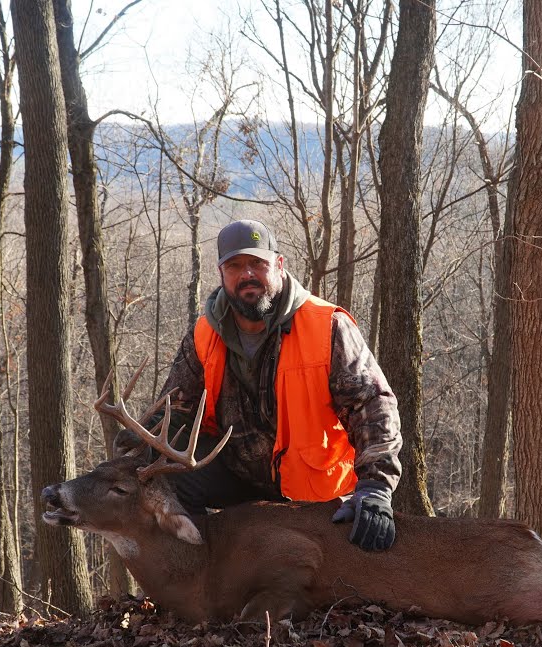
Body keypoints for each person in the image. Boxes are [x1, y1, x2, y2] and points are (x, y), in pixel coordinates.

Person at [120, 219, 402, 551]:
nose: (247, 275)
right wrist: (135, 450)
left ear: (279, 265)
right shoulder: (204, 335)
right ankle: (201, 581)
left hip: (316, 487)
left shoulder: (326, 327)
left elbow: (371, 406)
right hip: (240, 476)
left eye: (257, 263)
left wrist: (375, 488)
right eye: (235, 266)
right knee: (165, 480)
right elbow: (177, 410)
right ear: (222, 273)